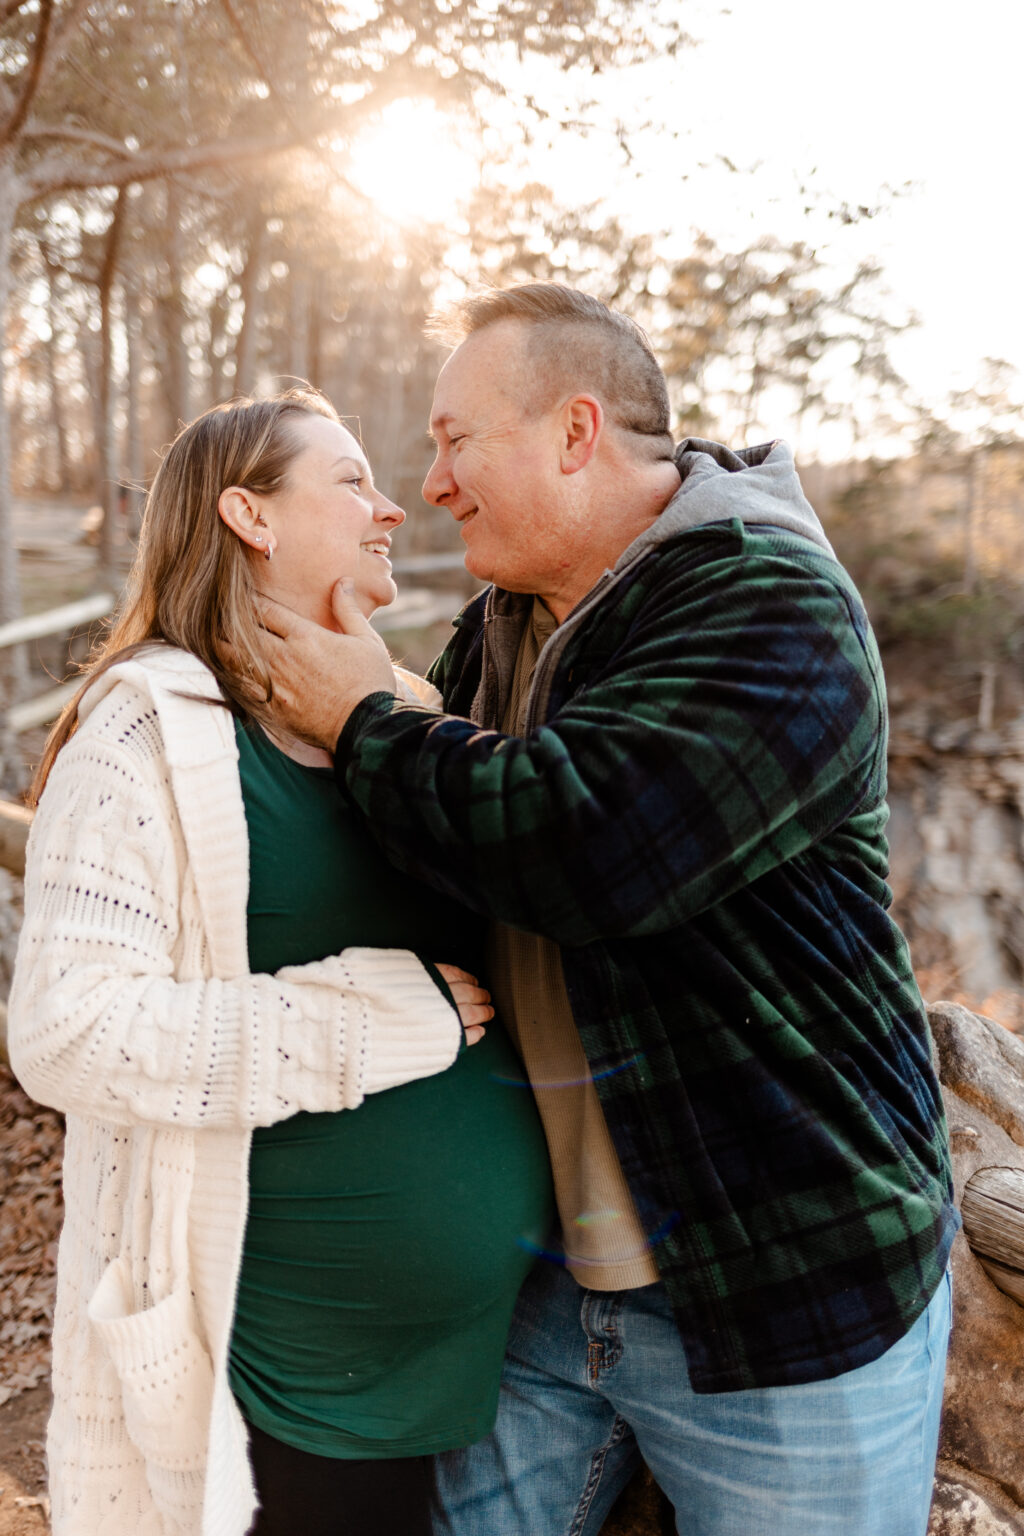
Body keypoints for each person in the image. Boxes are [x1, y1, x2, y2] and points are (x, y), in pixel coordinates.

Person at [254, 285, 959, 1536]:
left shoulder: (771, 602)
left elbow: (594, 847)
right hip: (541, 1289)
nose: (432, 485)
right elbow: (432, 855)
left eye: (454, 441)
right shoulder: (498, 629)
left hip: (780, 1297)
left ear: (575, 430)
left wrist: (368, 718)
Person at [7, 388, 553, 1536]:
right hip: (284, 1380)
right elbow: (71, 1032)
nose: (393, 508)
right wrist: (375, 1023)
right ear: (250, 516)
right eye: (351, 480)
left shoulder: (401, 710)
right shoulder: (145, 726)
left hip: (496, 1376)